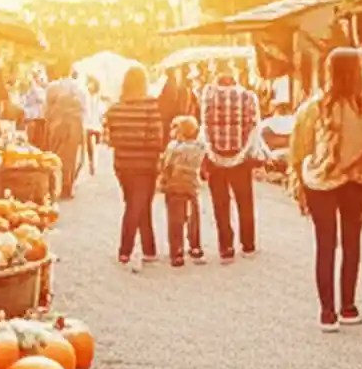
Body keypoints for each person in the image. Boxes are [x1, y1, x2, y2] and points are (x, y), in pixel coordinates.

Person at [290, 47, 362, 331]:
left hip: (319, 180)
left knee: (325, 244)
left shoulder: (314, 106)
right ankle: (348, 307)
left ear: (329, 71)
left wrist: (301, 177)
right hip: (356, 180)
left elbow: (300, 146)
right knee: (351, 242)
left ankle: (327, 313)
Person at [199, 67, 261, 263]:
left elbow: (204, 126)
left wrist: (210, 152)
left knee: (221, 203)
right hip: (240, 158)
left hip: (215, 157)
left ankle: (226, 247)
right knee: (245, 201)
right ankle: (248, 244)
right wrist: (244, 152)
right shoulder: (247, 97)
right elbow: (253, 126)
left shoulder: (208, 97)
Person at [105, 64, 163, 270]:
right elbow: (157, 138)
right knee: (136, 206)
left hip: (122, 164)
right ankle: (125, 250)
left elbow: (109, 138)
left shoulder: (114, 109)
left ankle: (149, 249)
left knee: (138, 204)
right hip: (145, 164)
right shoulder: (151, 107)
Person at [158, 115, 207, 267]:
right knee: (193, 217)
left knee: (175, 220)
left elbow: (166, 165)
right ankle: (195, 246)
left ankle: (177, 251)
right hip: (192, 186)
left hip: (174, 186)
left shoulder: (173, 147)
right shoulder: (200, 147)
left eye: (175, 127)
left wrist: (162, 180)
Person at [45, 63, 88, 198]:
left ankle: (55, 185)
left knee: (56, 154)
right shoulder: (80, 88)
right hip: (75, 124)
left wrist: (48, 122)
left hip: (57, 123)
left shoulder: (53, 87)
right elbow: (84, 109)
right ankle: (68, 186)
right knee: (71, 156)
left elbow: (47, 108)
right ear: (71, 71)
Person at [22, 69, 48, 148]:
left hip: (39, 118)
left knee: (39, 141)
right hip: (34, 118)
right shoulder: (34, 89)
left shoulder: (39, 89)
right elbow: (41, 98)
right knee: (35, 141)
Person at [83, 76, 104, 175]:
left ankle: (96, 162)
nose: (89, 86)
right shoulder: (85, 96)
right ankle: (91, 162)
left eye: (91, 84)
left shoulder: (99, 97)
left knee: (97, 145)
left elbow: (102, 110)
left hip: (97, 124)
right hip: (88, 124)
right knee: (89, 146)